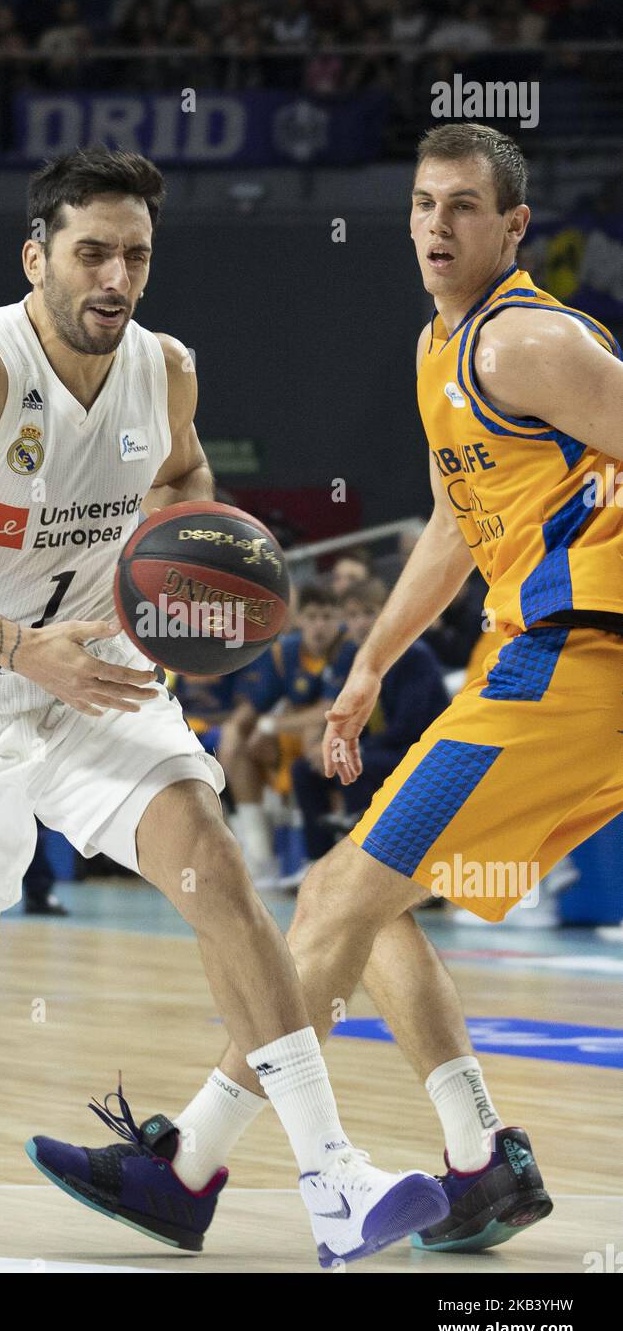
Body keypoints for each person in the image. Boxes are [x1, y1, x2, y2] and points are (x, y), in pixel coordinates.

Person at [0, 147, 445, 1270]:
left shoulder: (165, 369)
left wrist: (184, 563)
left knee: (218, 874)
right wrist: (10, 643)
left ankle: (331, 1175)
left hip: (101, 679)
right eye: (91, 250)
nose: (115, 275)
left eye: (135, 253)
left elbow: (183, 480)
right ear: (36, 255)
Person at [58, 122, 623, 1256]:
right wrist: (365, 666)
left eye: (462, 206)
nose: (434, 226)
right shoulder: (437, 353)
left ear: (513, 228)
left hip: (577, 660)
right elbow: (455, 533)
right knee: (361, 899)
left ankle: (188, 1167)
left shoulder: (524, 340)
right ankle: (478, 1164)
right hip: (534, 662)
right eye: (421, 204)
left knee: (329, 901)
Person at [291, 578, 449, 865]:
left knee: (356, 765)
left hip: (419, 749)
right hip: (374, 746)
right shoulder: (348, 656)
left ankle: (362, 860)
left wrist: (353, 748)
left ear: (387, 613)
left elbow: (408, 728)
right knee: (304, 770)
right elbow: (335, 710)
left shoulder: (415, 654)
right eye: (352, 616)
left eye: (368, 613)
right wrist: (327, 745)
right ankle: (317, 862)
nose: (361, 623)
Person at [218, 582, 342, 883]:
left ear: (338, 620)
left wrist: (270, 726)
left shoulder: (346, 650)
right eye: (312, 617)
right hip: (292, 745)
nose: (319, 626)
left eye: (326, 617)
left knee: (314, 733)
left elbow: (329, 710)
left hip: (337, 740)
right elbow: (254, 707)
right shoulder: (284, 653)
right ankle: (260, 859)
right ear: (299, 620)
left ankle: (328, 860)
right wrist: (235, 731)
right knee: (237, 747)